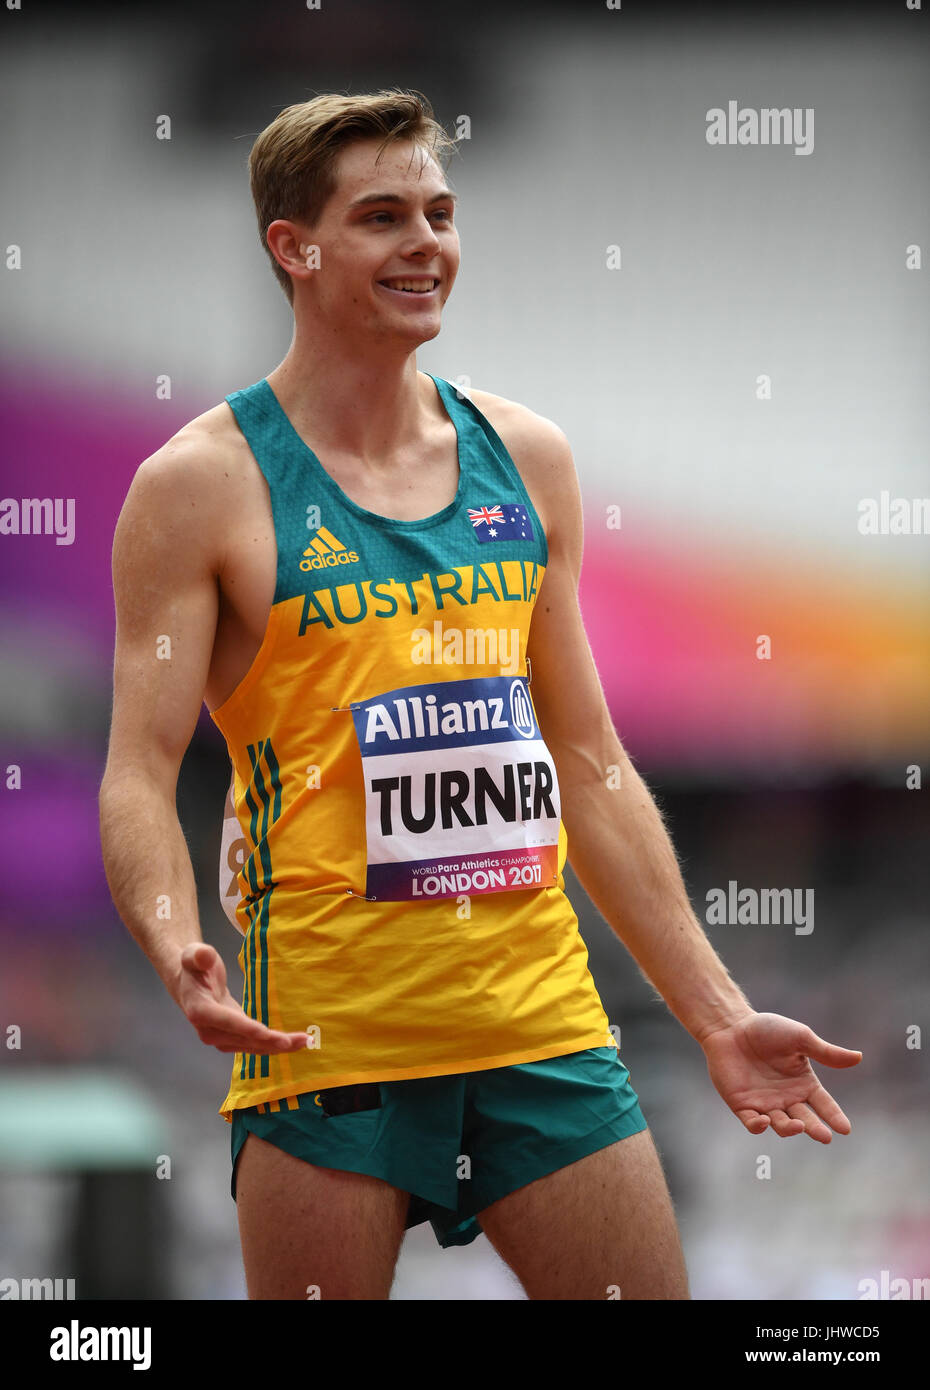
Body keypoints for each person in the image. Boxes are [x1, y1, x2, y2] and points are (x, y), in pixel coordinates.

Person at [99, 89, 862, 1301]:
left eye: (442, 213)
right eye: (384, 216)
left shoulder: (528, 458)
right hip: (326, 1046)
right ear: (292, 247)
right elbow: (138, 768)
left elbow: (591, 761)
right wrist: (174, 941)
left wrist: (718, 1016)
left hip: (544, 1031)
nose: (428, 243)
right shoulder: (199, 486)